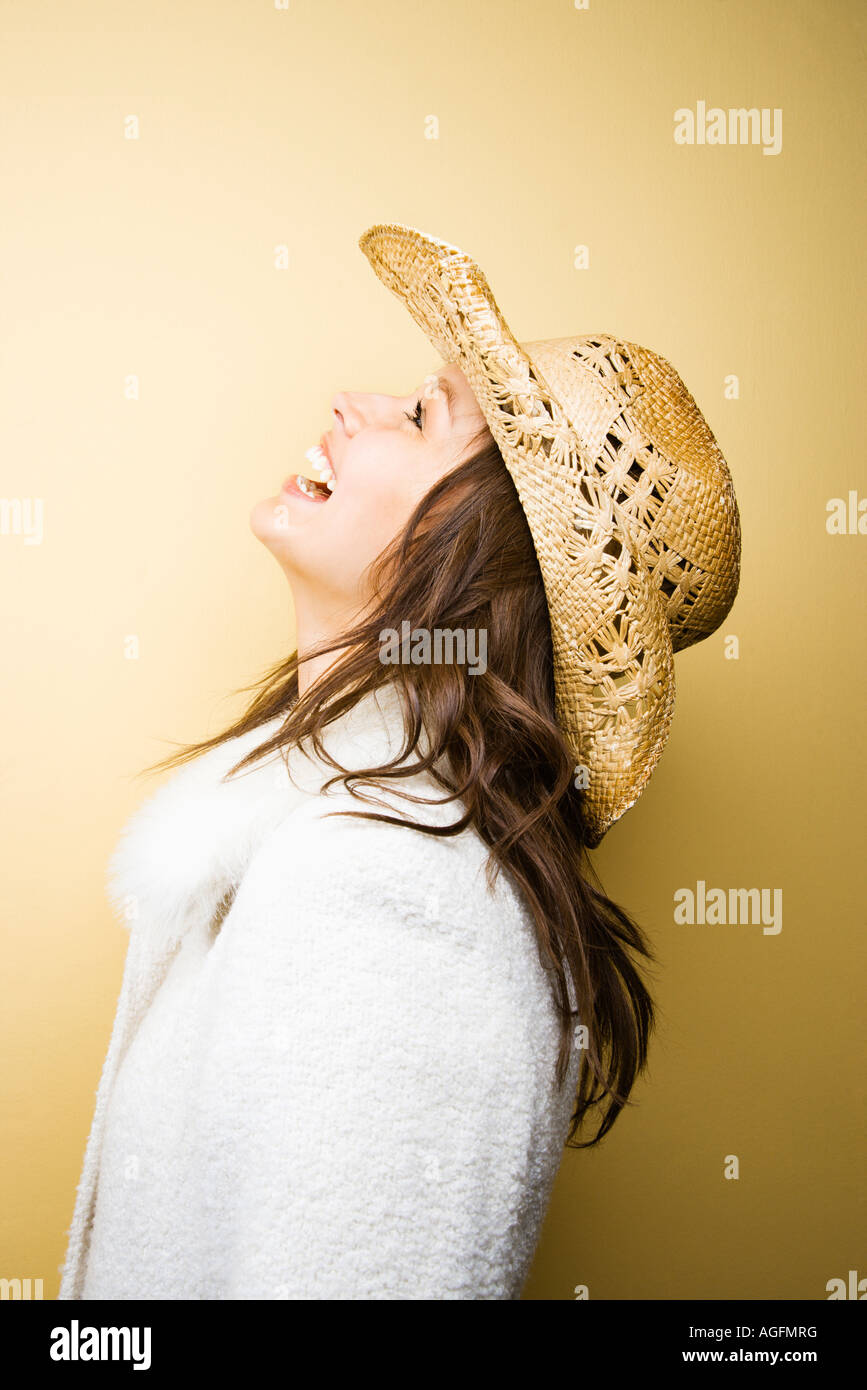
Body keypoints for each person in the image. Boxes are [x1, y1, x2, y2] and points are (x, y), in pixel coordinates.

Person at [58, 222, 741, 1301]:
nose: (350, 403)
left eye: (424, 416)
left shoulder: (400, 897)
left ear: (478, 555)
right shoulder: (340, 841)